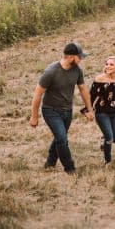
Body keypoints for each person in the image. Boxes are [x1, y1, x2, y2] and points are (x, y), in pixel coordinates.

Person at [30, 41, 94, 174]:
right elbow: (37, 94)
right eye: (79, 57)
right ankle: (70, 168)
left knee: (60, 137)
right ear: (70, 57)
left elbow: (83, 89)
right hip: (51, 111)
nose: (81, 59)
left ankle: (50, 163)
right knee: (62, 139)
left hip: (67, 111)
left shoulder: (77, 70)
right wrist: (34, 116)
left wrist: (89, 109)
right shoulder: (51, 72)